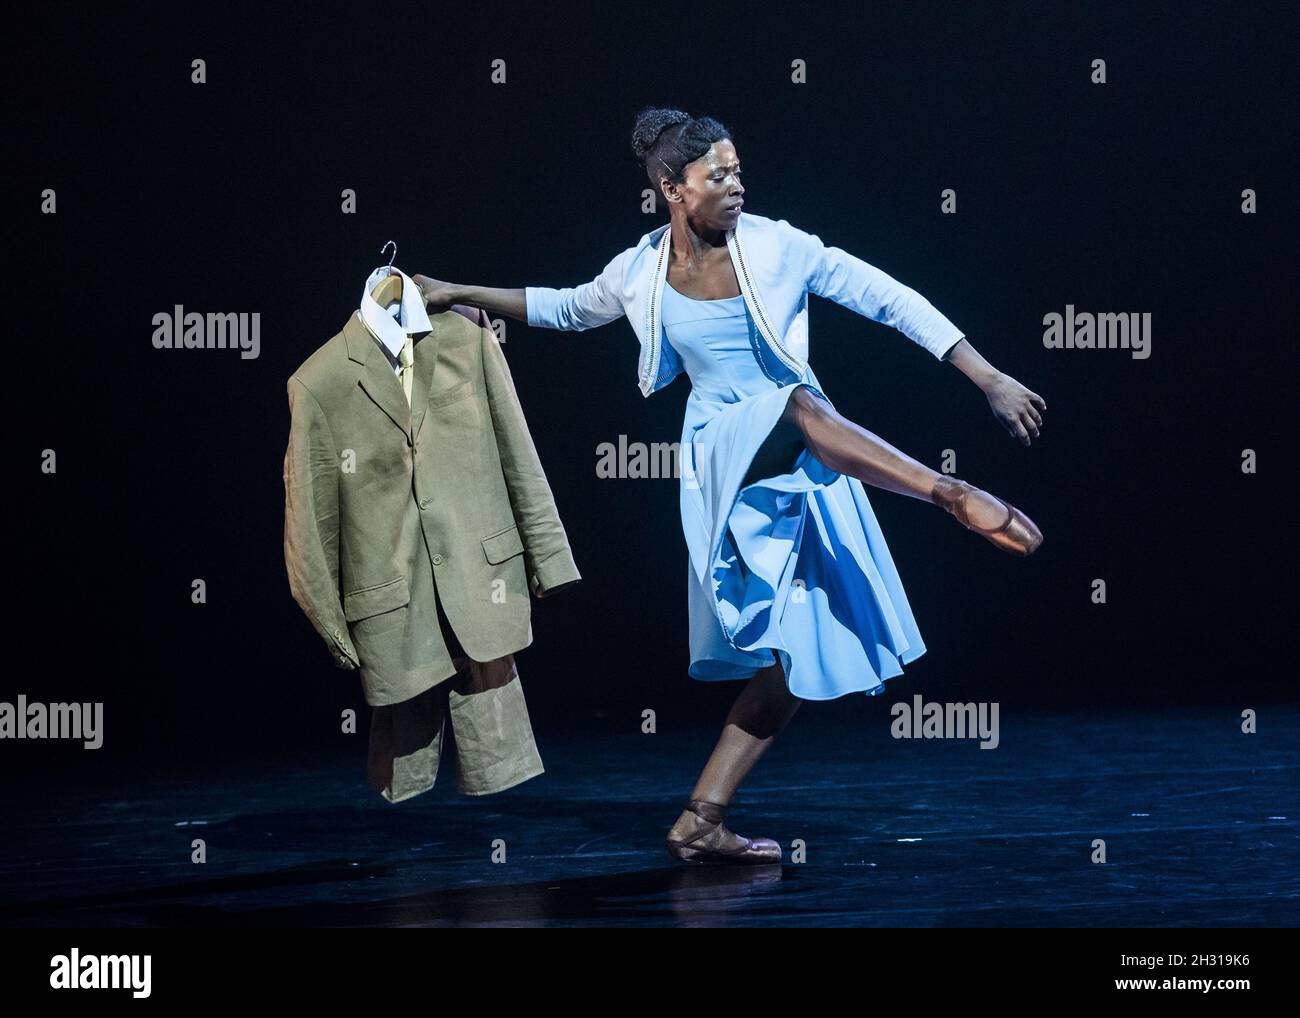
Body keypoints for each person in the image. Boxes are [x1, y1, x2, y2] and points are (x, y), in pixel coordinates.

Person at [408, 106, 1046, 865]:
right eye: (719, 174)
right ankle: (946, 493)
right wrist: (454, 291)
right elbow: (567, 308)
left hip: (815, 464)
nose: (737, 183)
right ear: (672, 189)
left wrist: (989, 376)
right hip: (725, 452)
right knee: (798, 402)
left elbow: (890, 298)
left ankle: (700, 820)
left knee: (791, 664)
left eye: (739, 169)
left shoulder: (781, 246)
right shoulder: (641, 269)